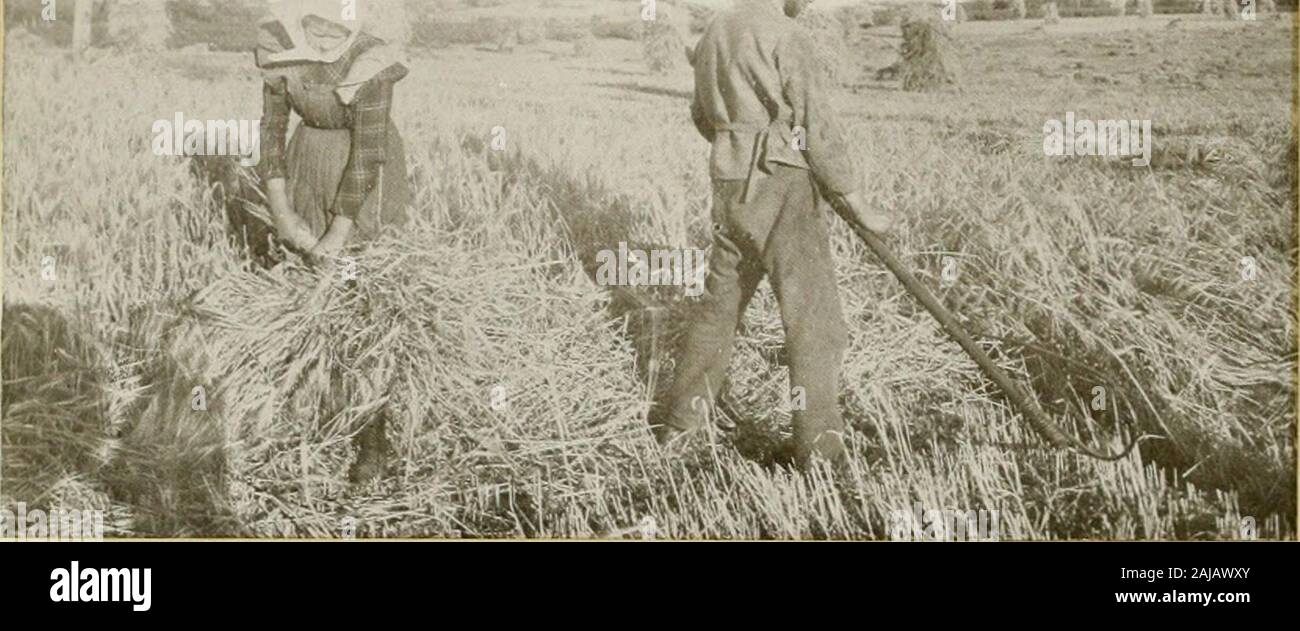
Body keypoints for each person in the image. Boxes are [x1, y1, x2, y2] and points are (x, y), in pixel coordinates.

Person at [656, 0, 895, 467]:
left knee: (717, 312)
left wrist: (738, 146)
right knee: (814, 322)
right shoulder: (787, 35)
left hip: (727, 182)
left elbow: (703, 116)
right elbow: (816, 127)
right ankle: (820, 453)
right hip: (782, 184)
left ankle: (680, 430)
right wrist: (855, 200)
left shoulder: (716, 31)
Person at [255, 0, 411, 484]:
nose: (323, 41)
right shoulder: (281, 51)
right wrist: (282, 211)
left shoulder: (371, 62)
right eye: (314, 29)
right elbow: (271, 132)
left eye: (335, 30)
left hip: (363, 182)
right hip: (305, 171)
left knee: (360, 307)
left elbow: (368, 153)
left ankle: (372, 441)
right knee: (302, 296)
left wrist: (338, 233)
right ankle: (303, 417)